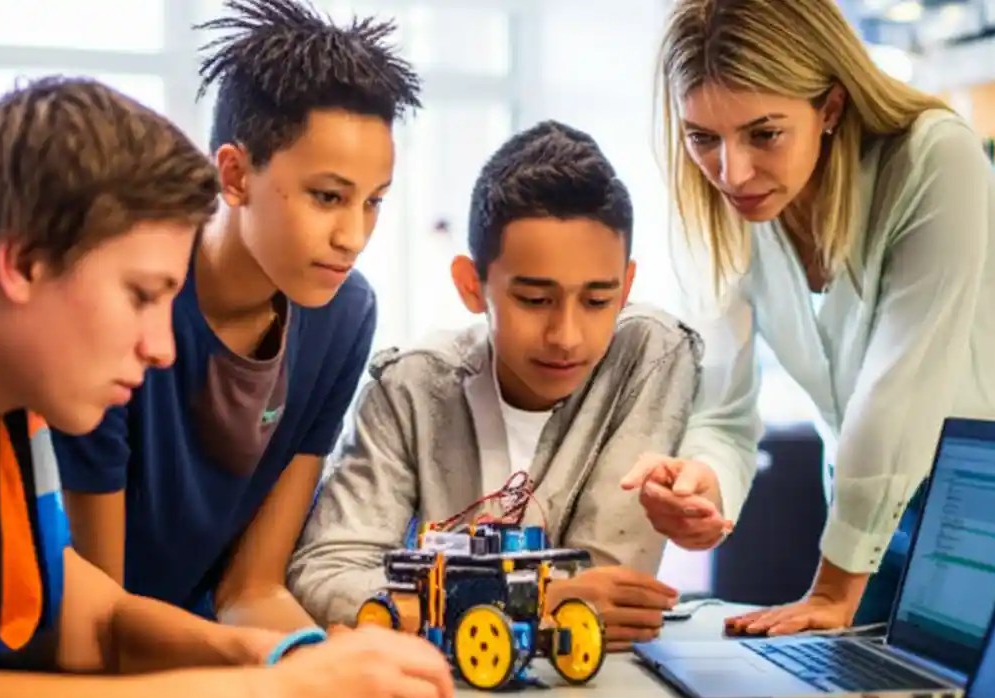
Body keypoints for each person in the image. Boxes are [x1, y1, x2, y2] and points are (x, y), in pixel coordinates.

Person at [0, 77, 451, 698]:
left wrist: (278, 659)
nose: (163, 347)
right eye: (141, 295)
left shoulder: (9, 411)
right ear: (25, 263)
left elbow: (97, 623)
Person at [621, 0, 995, 637]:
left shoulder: (932, 159)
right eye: (703, 138)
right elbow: (723, 410)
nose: (732, 172)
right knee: (855, 685)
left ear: (829, 107)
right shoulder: (719, 204)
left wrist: (832, 589)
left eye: (764, 133)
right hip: (865, 494)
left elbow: (899, 389)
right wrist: (705, 484)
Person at [51, 0, 421, 633]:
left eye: (373, 202)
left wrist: (320, 658)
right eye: (327, 197)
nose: (353, 236)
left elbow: (251, 587)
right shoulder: (131, 304)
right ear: (235, 174)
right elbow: (98, 620)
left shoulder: (344, 313)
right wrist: (266, 671)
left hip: (200, 650)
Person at [290, 120, 701, 651]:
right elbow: (324, 574)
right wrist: (537, 600)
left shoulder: (651, 355)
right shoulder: (411, 387)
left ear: (625, 288)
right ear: (470, 285)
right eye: (534, 299)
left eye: (598, 300)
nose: (566, 336)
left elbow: (614, 600)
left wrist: (431, 607)